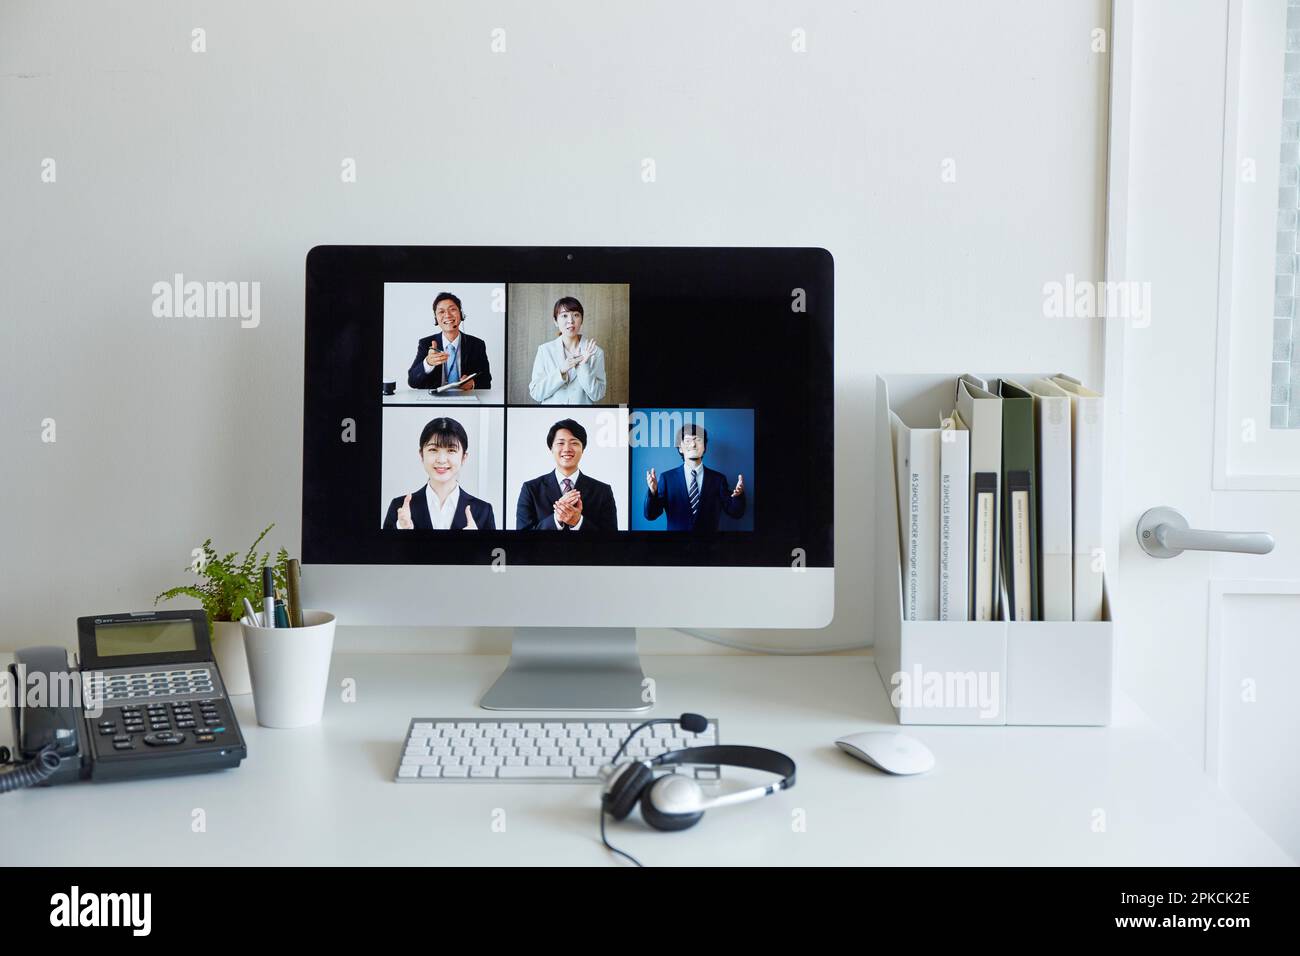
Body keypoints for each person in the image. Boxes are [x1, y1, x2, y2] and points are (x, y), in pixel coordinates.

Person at [383, 417, 495, 530]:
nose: (441, 460)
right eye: (433, 450)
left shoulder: (483, 511)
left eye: (451, 450)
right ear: (422, 455)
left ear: (464, 458)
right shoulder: (399, 508)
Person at [516, 418, 617, 531]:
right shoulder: (530, 489)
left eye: (574, 443)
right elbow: (522, 541)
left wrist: (578, 522)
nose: (567, 449)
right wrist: (556, 519)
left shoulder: (603, 491)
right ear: (551, 448)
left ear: (583, 449)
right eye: (560, 443)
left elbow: (611, 541)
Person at [643, 423, 745, 531]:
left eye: (698, 440)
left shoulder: (718, 479)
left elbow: (736, 513)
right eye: (687, 441)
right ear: (680, 448)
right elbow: (651, 515)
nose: (693, 445)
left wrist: (738, 495)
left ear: (704, 447)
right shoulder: (667, 478)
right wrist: (653, 493)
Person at [527, 296, 607, 404]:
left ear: (581, 320)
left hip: (582, 416)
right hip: (551, 415)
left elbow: (597, 395)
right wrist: (561, 371)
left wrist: (583, 366)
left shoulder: (596, 352)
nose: (570, 321)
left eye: (576, 315)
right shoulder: (544, 350)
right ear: (555, 321)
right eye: (564, 315)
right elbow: (536, 393)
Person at [407, 291, 493, 391]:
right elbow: (412, 382)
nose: (447, 315)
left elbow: (486, 381)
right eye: (441, 312)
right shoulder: (426, 343)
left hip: (466, 400)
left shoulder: (477, 344)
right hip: (435, 402)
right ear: (436, 318)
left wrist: (472, 384)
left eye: (452, 309)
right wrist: (428, 363)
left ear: (461, 314)